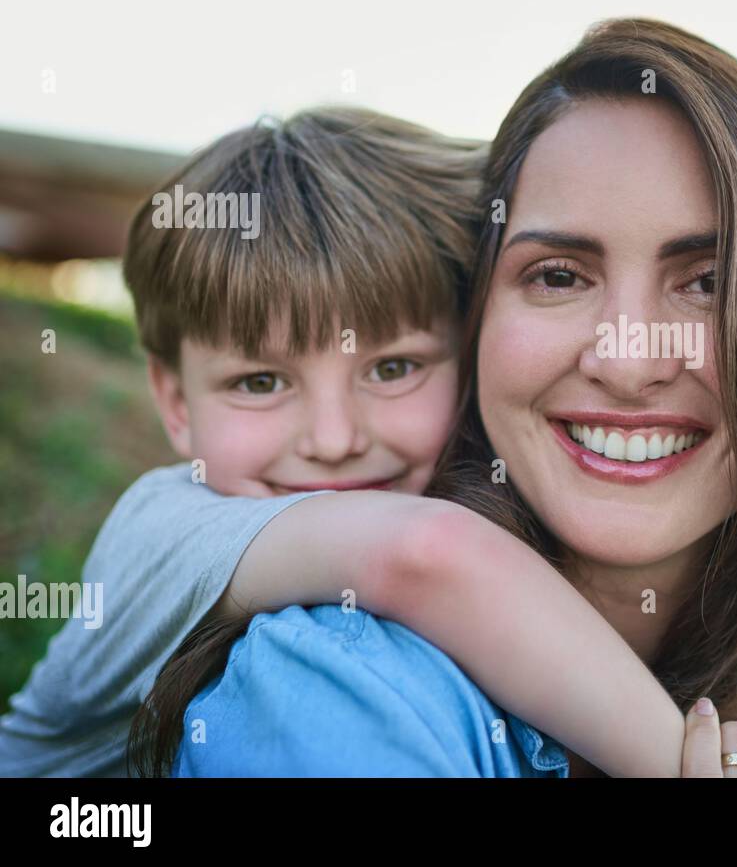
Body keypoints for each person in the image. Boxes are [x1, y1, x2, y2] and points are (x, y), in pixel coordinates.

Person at [160, 18, 737, 777]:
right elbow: (431, 559)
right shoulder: (346, 686)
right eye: (558, 275)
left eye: (710, 282)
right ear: (475, 320)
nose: (628, 364)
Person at [1, 107, 698, 779]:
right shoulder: (161, 531)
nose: (334, 440)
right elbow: (427, 555)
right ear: (176, 402)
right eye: (261, 381)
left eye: (393, 369)